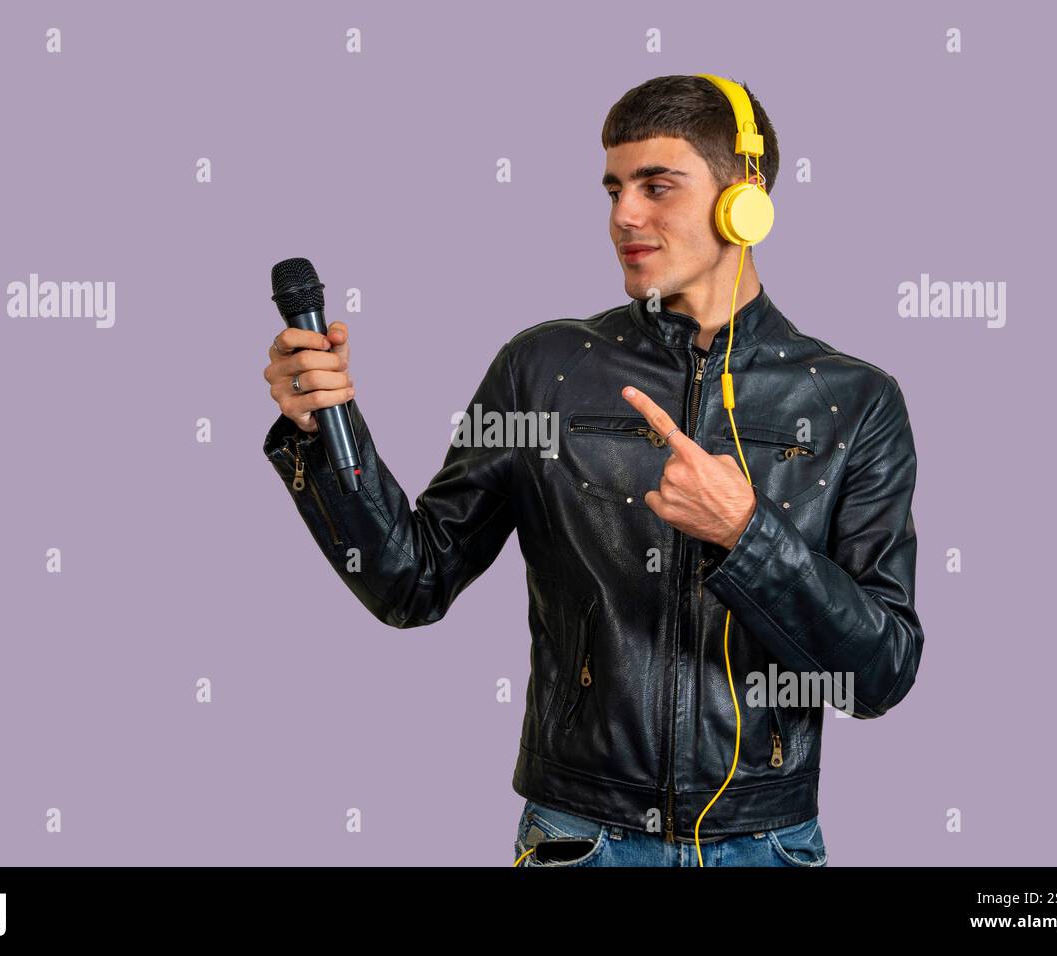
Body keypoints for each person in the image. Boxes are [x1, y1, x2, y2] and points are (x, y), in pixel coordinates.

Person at [262, 74, 922, 867]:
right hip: (583, 839)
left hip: (770, 843)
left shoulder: (855, 400)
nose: (623, 216)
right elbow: (412, 582)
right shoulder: (547, 369)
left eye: (657, 186)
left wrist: (748, 537)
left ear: (742, 198)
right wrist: (321, 434)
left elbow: (878, 674)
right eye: (613, 188)